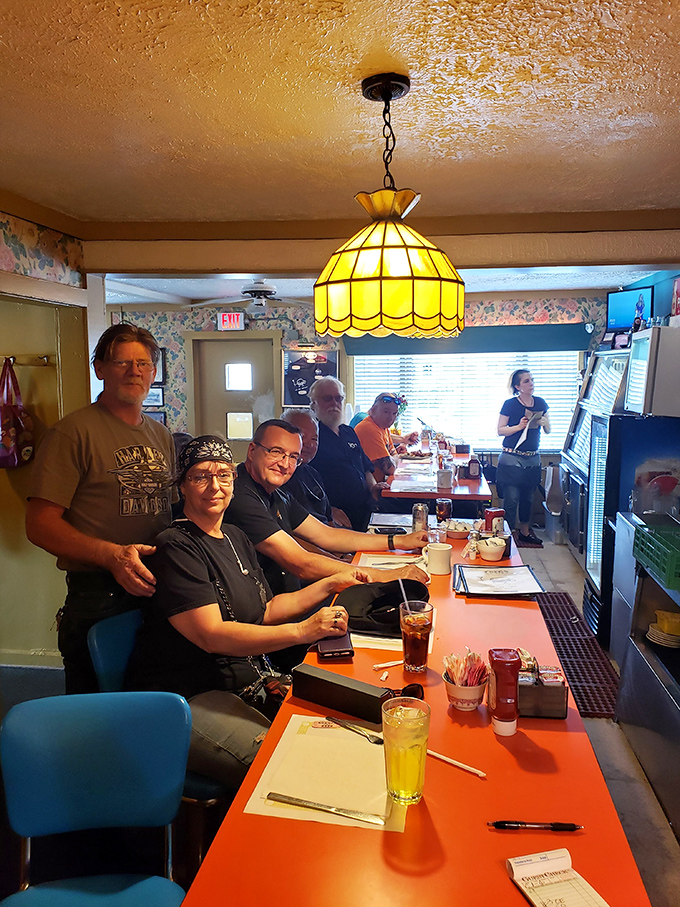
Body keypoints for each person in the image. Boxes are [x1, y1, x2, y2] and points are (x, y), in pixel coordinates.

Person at [125, 436, 363, 787]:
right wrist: (304, 630)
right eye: (200, 476)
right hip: (183, 697)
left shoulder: (235, 537)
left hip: (243, 681)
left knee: (347, 728)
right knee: (287, 765)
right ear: (182, 487)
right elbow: (212, 635)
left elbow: (266, 609)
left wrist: (330, 585)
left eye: (223, 474)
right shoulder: (174, 546)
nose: (214, 486)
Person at [25, 323, 175, 693]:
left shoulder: (161, 435)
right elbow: (39, 525)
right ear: (100, 369)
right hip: (98, 595)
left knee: (147, 698)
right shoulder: (72, 433)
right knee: (96, 711)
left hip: (156, 587)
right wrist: (111, 556)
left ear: (153, 373)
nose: (134, 371)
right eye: (121, 362)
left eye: (142, 363)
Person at [223, 419, 428, 598]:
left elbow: (326, 535)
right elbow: (301, 563)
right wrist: (387, 575)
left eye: (293, 457)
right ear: (252, 451)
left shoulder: (276, 492)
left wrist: (401, 541)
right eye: (276, 452)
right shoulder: (239, 496)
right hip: (271, 614)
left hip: (294, 596)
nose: (285, 464)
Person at [309, 377, 386, 531]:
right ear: (313, 404)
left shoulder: (348, 431)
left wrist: (373, 488)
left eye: (338, 398)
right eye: (327, 398)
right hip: (336, 518)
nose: (334, 403)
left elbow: (365, 467)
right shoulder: (311, 437)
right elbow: (302, 483)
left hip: (364, 508)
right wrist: (328, 509)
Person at [496, 369, 551, 546]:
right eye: (527, 381)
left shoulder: (541, 402)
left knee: (529, 497)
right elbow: (500, 430)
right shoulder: (510, 404)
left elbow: (548, 430)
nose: (531, 383)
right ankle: (509, 533)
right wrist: (519, 426)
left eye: (532, 380)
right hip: (512, 456)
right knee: (512, 498)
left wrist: (545, 423)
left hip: (533, 457)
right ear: (518, 386)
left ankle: (525, 531)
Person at [281, 407, 351, 528]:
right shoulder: (280, 478)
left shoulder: (313, 474)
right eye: (302, 437)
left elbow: (329, 522)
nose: (310, 444)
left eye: (314, 438)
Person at [355, 392, 419, 482]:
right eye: (386, 412)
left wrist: (395, 456)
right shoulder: (369, 429)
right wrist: (398, 457)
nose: (391, 418)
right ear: (373, 410)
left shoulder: (383, 427)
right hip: (369, 491)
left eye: (394, 413)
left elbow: (393, 455)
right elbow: (390, 468)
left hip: (381, 483)